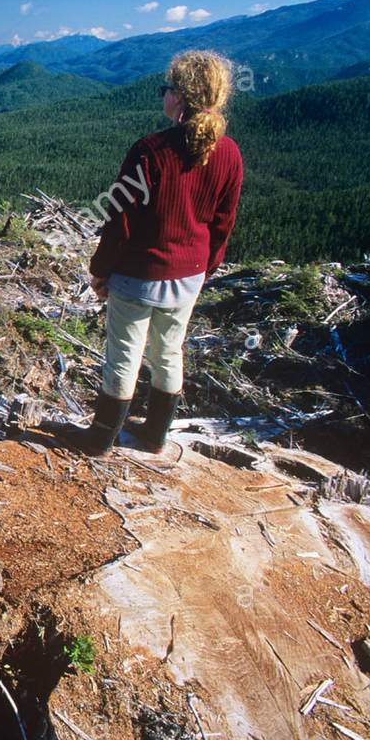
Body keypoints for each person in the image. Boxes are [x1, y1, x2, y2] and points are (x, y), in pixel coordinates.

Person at [79, 50, 243, 457]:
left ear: (181, 98)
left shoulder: (150, 151)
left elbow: (120, 221)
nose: (163, 95)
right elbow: (223, 223)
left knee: (123, 357)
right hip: (189, 274)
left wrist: (101, 271)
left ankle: (100, 440)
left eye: (167, 88)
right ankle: (155, 437)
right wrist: (205, 270)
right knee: (169, 352)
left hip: (139, 275)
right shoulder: (230, 153)